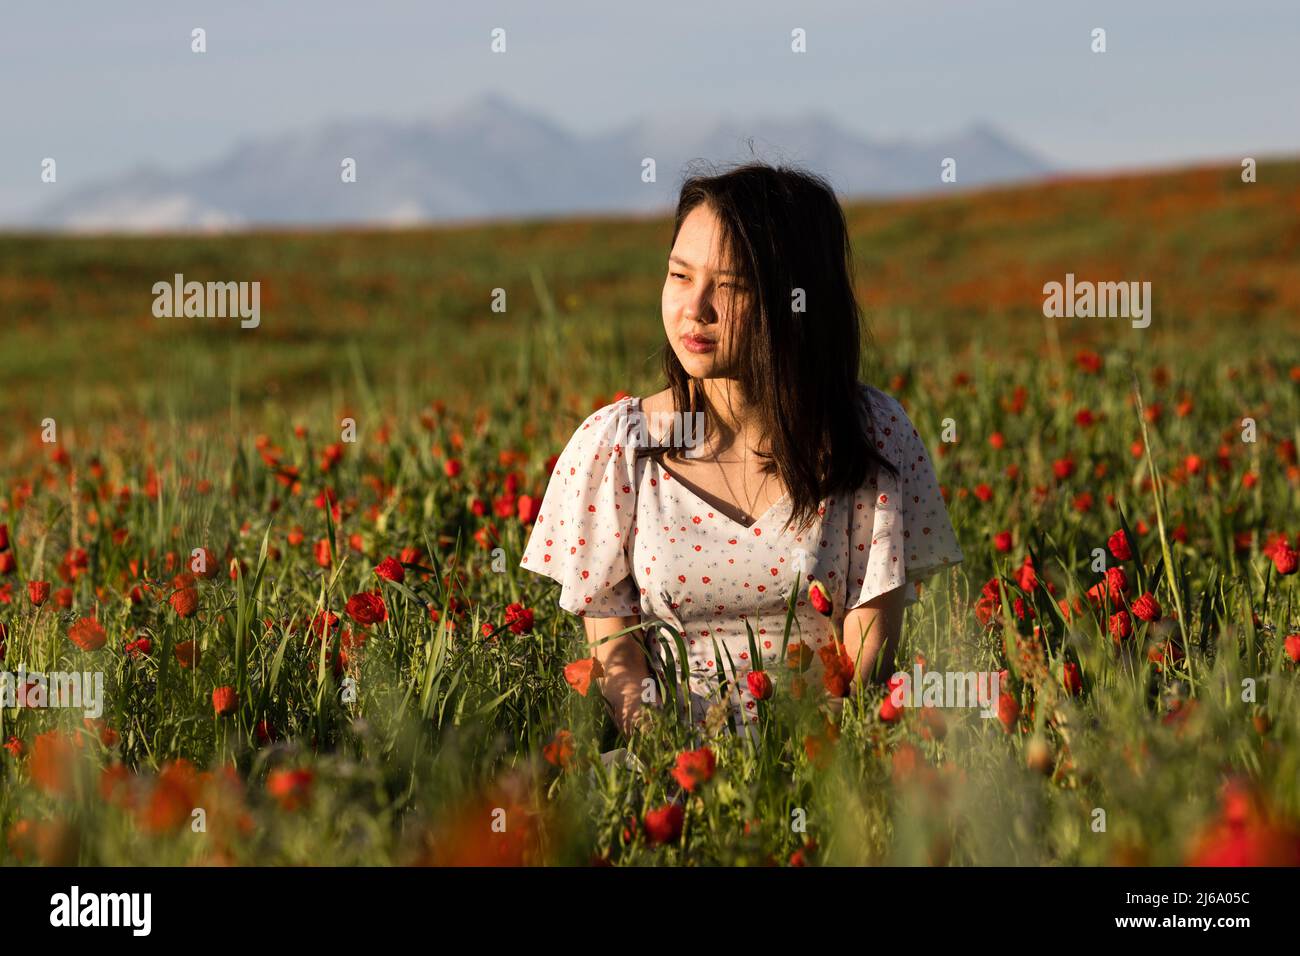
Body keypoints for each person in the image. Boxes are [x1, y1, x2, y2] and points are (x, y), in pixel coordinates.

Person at [520, 161, 963, 742]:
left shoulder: (870, 436)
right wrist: (670, 763)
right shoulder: (618, 448)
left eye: (730, 286)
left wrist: (806, 769)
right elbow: (615, 658)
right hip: (668, 769)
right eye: (680, 276)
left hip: (825, 757)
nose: (694, 309)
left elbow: (868, 656)